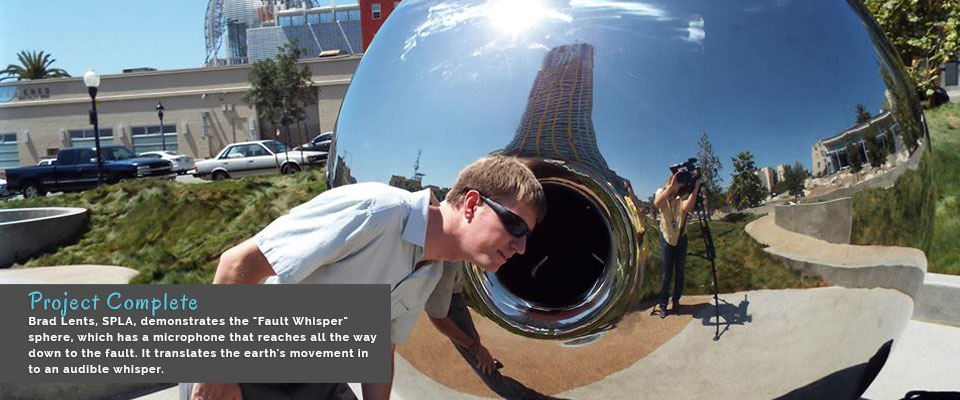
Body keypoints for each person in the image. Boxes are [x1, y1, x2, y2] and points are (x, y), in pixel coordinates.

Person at [185, 155, 547, 400]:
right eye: (514, 225)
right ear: (471, 205)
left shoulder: (431, 270)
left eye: (527, 235)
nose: (521, 247)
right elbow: (237, 264)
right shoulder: (378, 211)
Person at [426, 263, 566, 400]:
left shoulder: (451, 260)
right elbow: (438, 319)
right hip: (452, 308)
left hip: (456, 298)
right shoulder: (445, 269)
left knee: (486, 367)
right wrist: (476, 349)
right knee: (487, 370)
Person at [652, 169, 701, 318]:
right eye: (675, 181)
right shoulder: (662, 191)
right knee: (667, 274)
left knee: (679, 272)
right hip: (667, 239)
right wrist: (670, 188)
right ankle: (663, 305)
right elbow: (657, 204)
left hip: (681, 238)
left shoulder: (682, 196)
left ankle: (676, 302)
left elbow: (687, 208)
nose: (677, 185)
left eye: (680, 183)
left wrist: (696, 187)